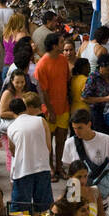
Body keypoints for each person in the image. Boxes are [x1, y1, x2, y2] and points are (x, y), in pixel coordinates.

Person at [63, 108, 109, 215]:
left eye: (80, 128)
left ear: (89, 124)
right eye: (74, 128)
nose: (76, 132)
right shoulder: (69, 143)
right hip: (78, 203)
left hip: (100, 200)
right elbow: (69, 175)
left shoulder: (106, 140)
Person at [3, 92, 52, 211]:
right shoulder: (41, 121)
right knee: (44, 207)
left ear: (12, 112)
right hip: (42, 168)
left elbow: (12, 151)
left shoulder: (11, 128)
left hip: (23, 170)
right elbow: (48, 146)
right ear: (25, 107)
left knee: (20, 210)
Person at [35, 31, 71, 179]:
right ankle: (49, 167)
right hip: (49, 110)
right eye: (62, 42)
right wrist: (50, 110)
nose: (64, 45)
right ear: (54, 45)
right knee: (48, 142)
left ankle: (59, 167)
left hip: (64, 106)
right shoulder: (42, 64)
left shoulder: (62, 60)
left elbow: (67, 80)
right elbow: (42, 91)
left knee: (61, 139)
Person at [82, 54, 109, 135]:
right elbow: (84, 98)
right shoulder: (93, 78)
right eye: (107, 70)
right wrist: (104, 99)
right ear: (101, 67)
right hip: (98, 114)